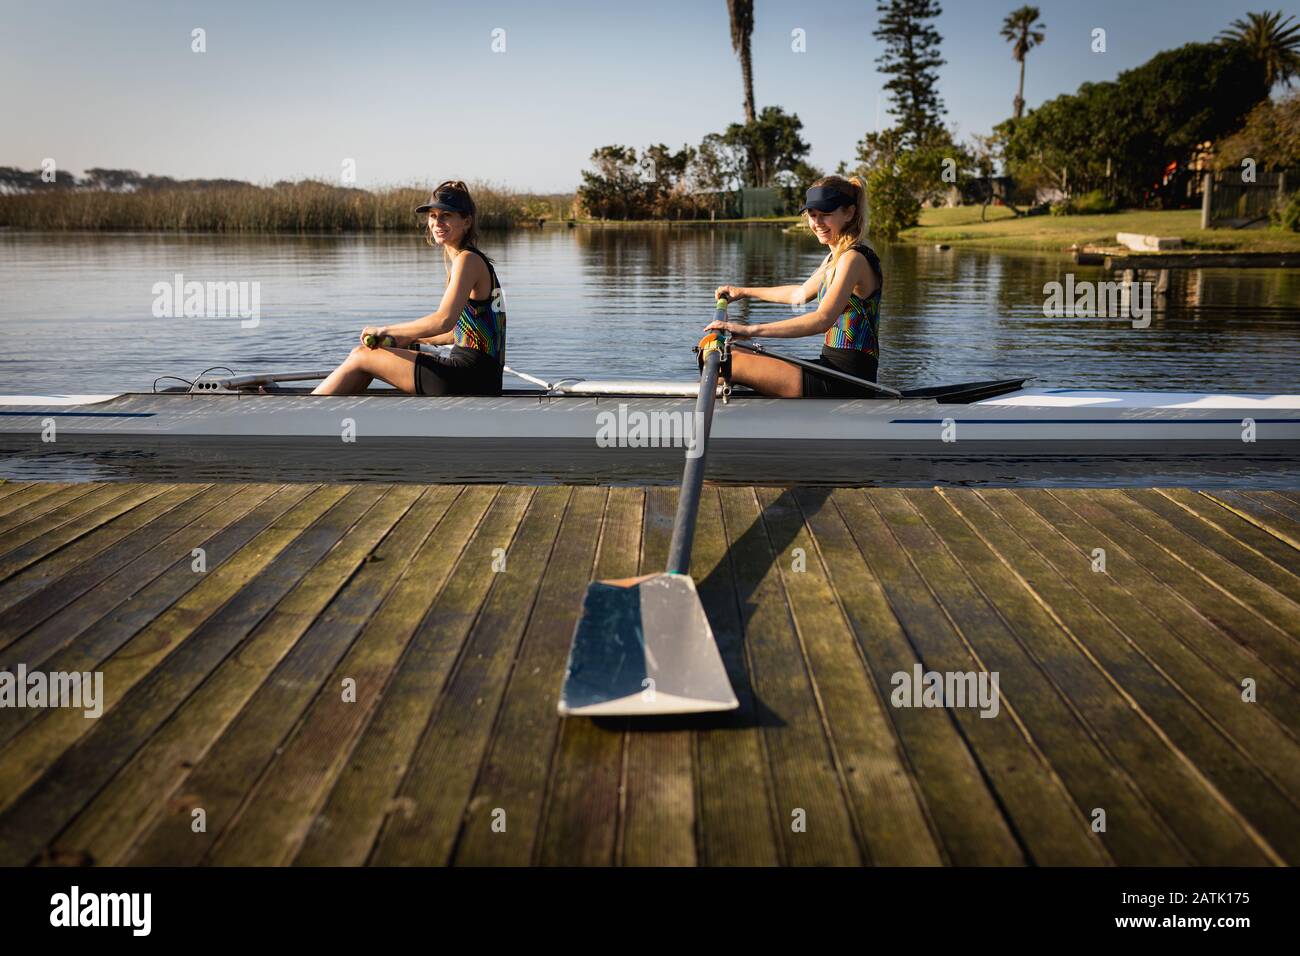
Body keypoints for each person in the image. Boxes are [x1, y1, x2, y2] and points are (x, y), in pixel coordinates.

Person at [313, 180, 506, 396]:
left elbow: (443, 321)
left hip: (469, 376)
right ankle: (331, 413)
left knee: (361, 356)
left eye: (446, 216)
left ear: (467, 222)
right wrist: (411, 339)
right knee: (374, 356)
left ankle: (306, 413)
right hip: (483, 378)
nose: (437, 222)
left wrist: (385, 331)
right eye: (433, 216)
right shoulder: (472, 262)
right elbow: (455, 333)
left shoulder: (467, 260)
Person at [705, 175, 882, 398]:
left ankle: (717, 423)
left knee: (726, 359)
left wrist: (750, 330)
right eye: (813, 215)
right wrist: (743, 291)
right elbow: (798, 294)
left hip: (848, 379)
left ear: (849, 212)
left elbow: (822, 319)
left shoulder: (853, 258)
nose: (817, 222)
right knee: (728, 353)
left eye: (826, 214)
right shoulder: (836, 258)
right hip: (833, 369)